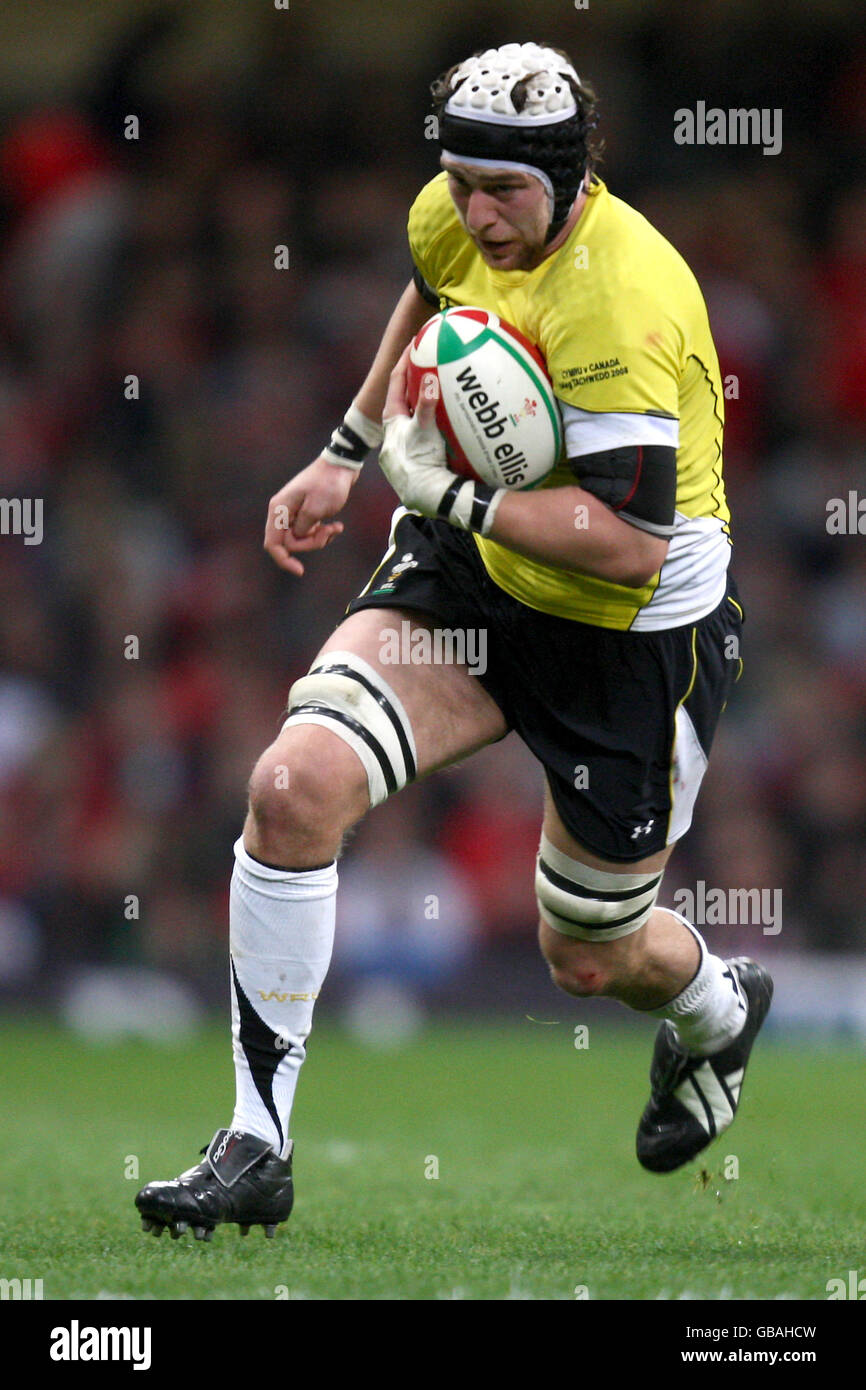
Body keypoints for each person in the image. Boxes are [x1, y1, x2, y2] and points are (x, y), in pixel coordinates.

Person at [135, 41, 772, 1241]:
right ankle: (254, 1141)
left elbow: (630, 540)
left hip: (627, 631)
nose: (476, 213)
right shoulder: (456, 211)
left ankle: (715, 1009)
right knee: (291, 785)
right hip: (475, 579)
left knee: (587, 954)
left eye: (504, 192)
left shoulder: (622, 300)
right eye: (459, 181)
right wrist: (342, 450)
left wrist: (447, 494)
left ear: (575, 173)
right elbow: (429, 293)